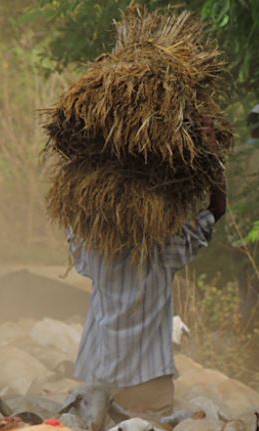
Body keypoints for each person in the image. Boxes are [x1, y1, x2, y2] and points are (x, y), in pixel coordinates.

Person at [70, 156, 226, 417]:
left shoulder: (92, 248)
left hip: (101, 380)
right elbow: (217, 210)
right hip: (151, 383)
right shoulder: (164, 247)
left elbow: (72, 221)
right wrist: (213, 162)